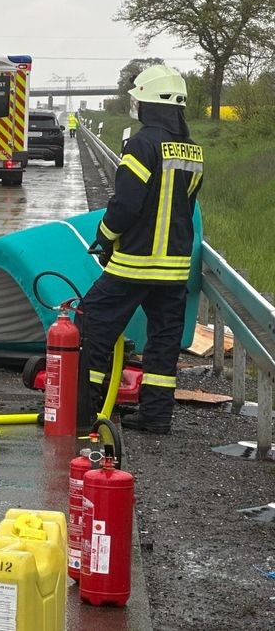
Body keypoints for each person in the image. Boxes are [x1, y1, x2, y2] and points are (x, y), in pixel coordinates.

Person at [79, 65, 202, 434]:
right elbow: (186, 204)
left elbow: (126, 205)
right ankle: (156, 416)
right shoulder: (192, 150)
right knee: (163, 342)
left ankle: (84, 409)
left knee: (92, 325)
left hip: (134, 264)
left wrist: (104, 236)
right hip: (174, 268)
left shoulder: (142, 145)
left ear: (149, 104)